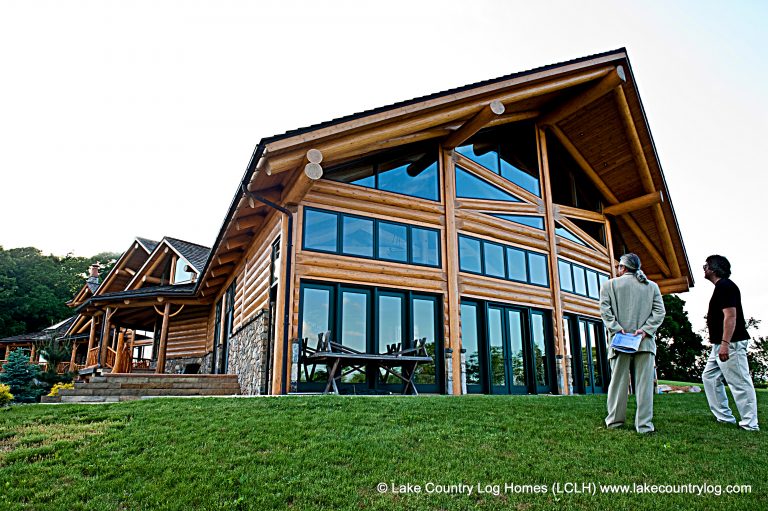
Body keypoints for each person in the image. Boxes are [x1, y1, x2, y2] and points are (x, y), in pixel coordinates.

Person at [600, 253, 666, 433]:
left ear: (622, 268)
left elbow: (605, 311)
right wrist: (645, 330)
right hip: (644, 343)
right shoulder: (652, 287)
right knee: (644, 385)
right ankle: (644, 425)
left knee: (618, 383)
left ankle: (614, 421)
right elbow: (659, 312)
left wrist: (616, 328)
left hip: (620, 341)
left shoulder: (609, 285)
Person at [701, 255, 759, 431]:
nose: (704, 268)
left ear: (714, 268)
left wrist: (725, 343)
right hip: (719, 344)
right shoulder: (721, 287)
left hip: (731, 343)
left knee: (740, 382)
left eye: (706, 265)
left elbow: (731, 316)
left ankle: (750, 424)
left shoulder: (726, 286)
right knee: (709, 377)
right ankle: (725, 417)